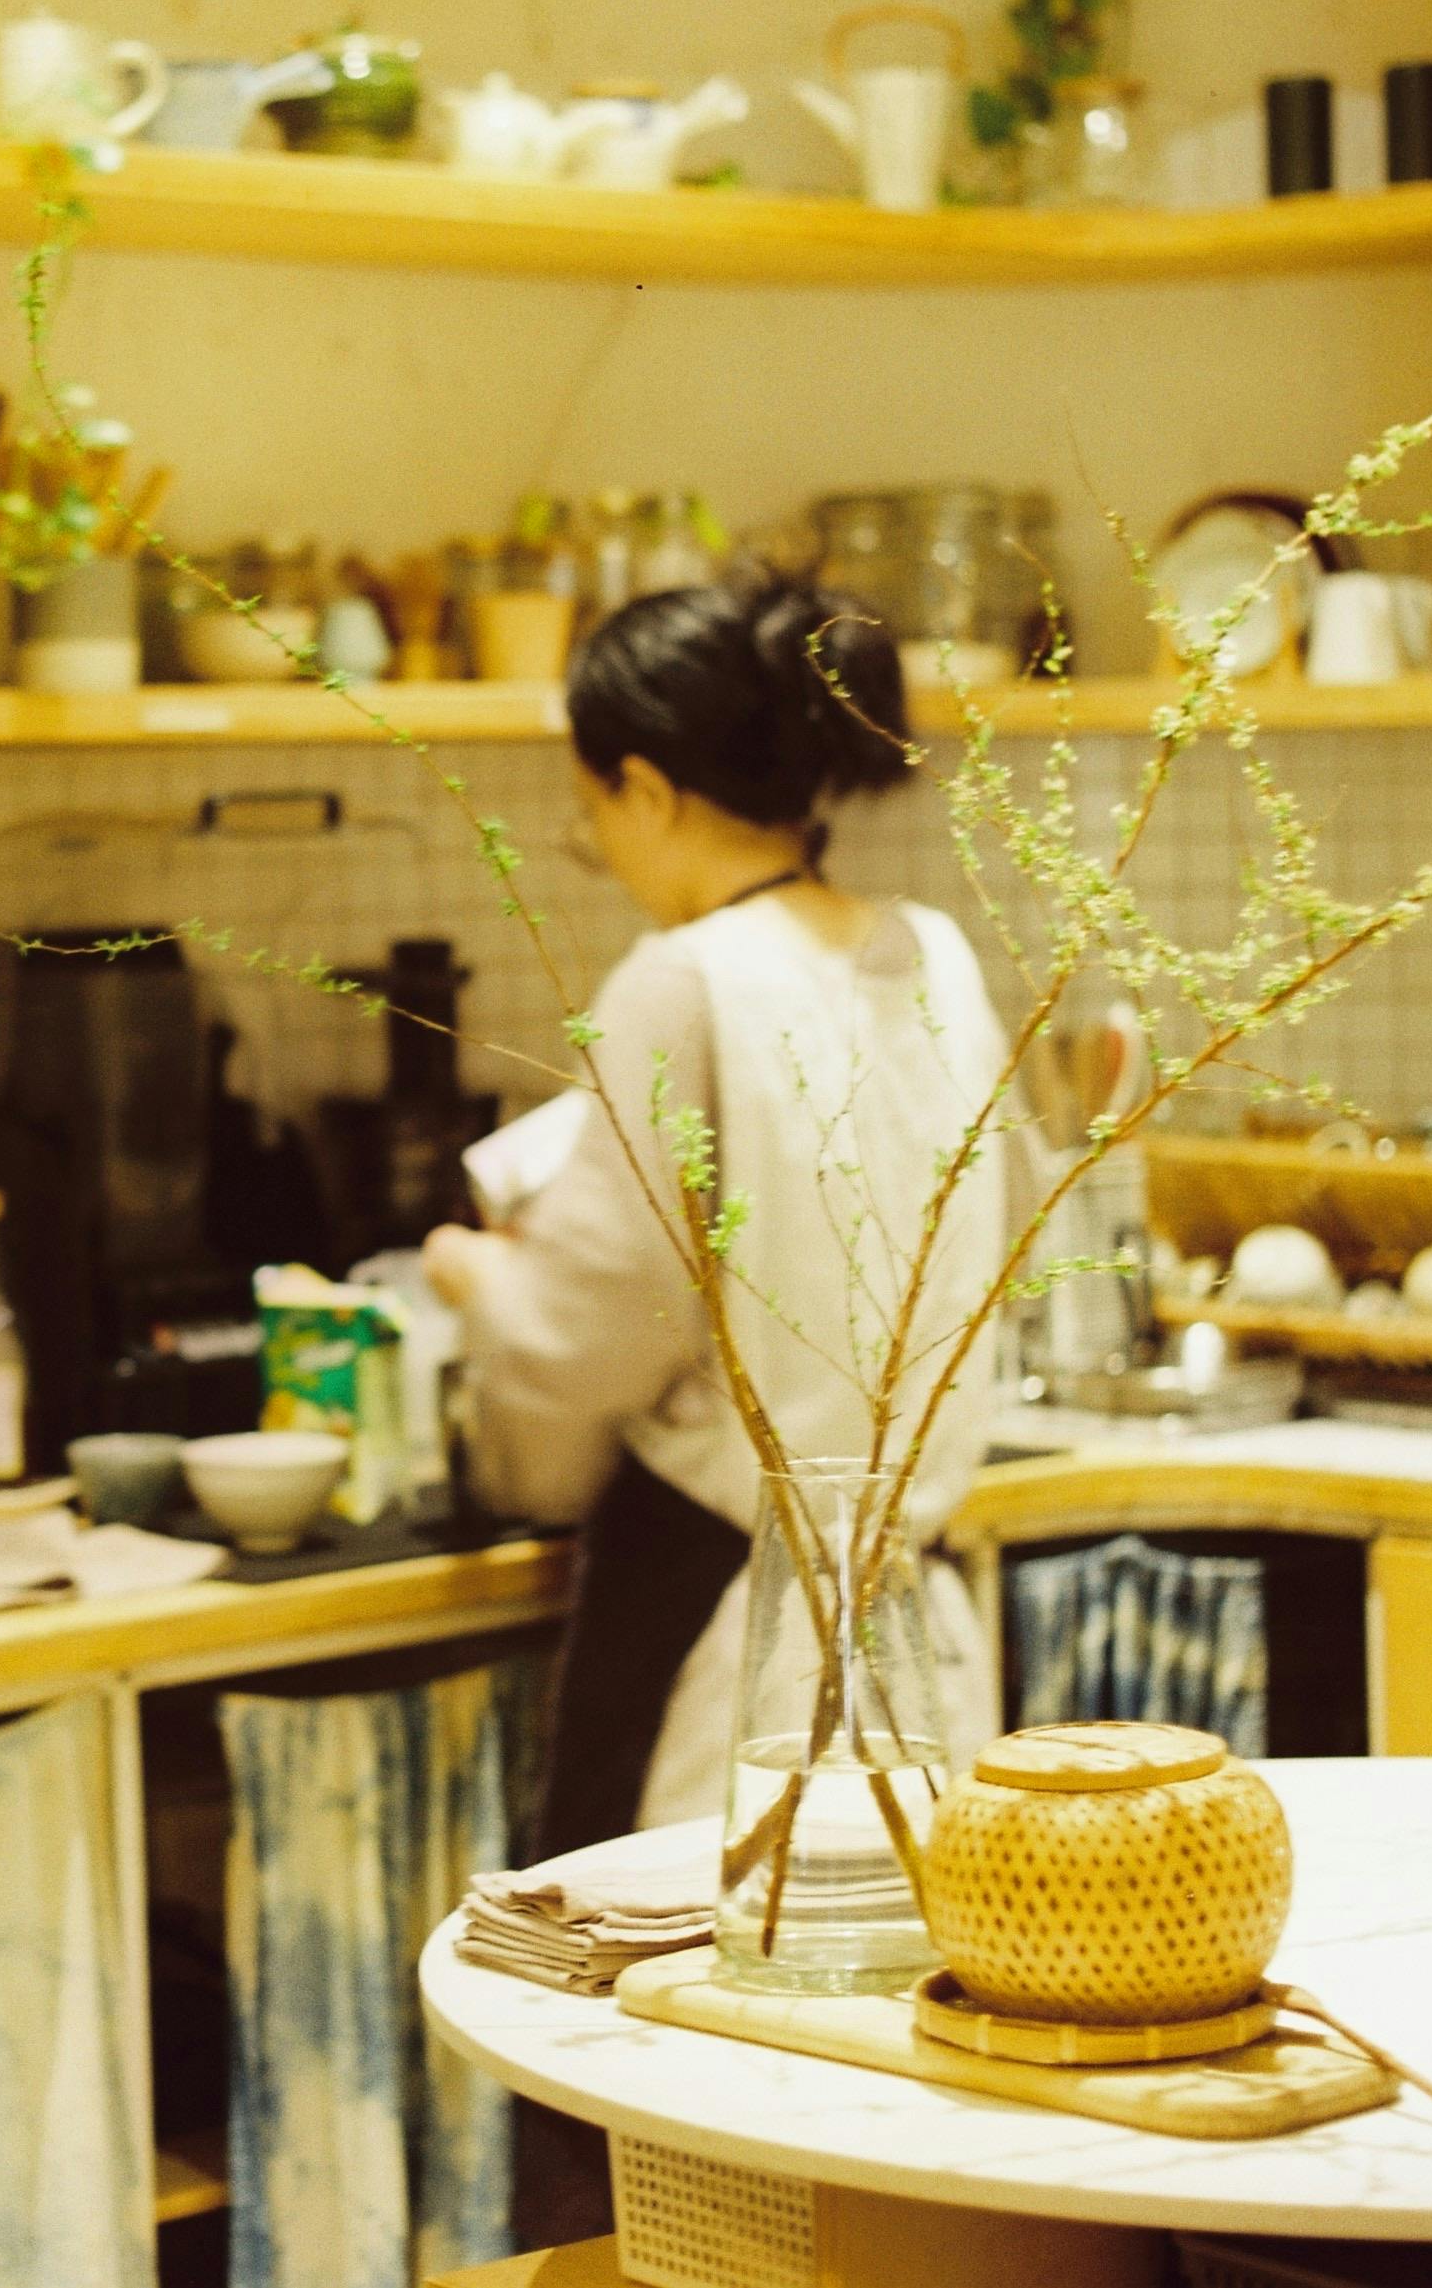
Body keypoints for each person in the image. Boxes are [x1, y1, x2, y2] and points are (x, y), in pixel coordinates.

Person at [424, 572, 1017, 1857]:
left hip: (719, 1612)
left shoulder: (682, 980)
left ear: (643, 787)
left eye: (592, 815)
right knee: (886, 2016)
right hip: (911, 1604)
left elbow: (592, 1331)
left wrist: (481, 1285)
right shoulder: (930, 955)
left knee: (662, 2013)